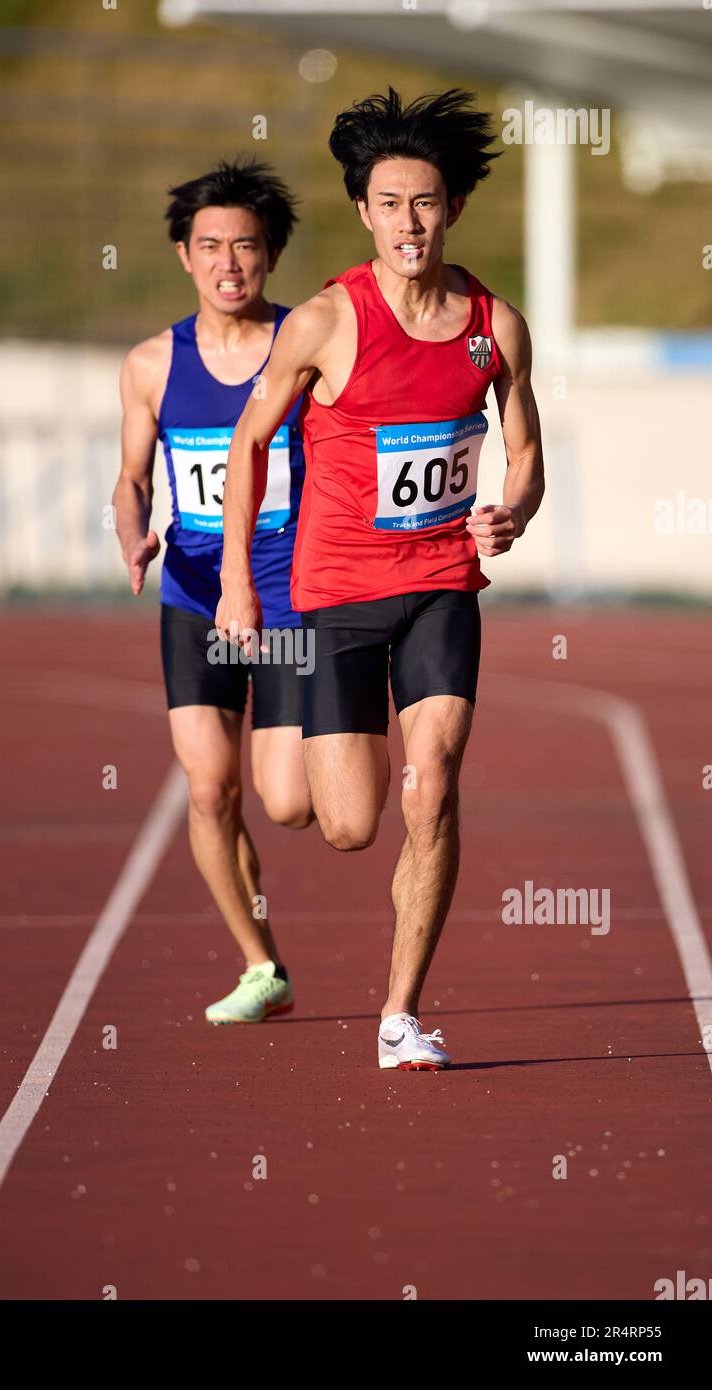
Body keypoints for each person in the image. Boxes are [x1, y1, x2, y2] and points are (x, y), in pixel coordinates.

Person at [216, 90, 545, 1069]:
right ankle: (295, 747)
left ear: (451, 208)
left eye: (427, 202)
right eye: (390, 203)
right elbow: (246, 443)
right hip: (336, 593)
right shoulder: (323, 321)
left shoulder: (493, 324)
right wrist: (238, 582)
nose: (409, 223)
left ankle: (399, 1014)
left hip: (442, 581)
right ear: (363, 210)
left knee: (432, 787)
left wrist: (512, 510)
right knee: (348, 825)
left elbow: (524, 453)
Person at [113, 158, 313, 1026]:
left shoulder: (305, 345)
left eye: (246, 247)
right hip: (194, 595)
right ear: (184, 257)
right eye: (211, 248)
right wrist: (134, 531)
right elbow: (129, 479)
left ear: (270, 255)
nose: (229, 264)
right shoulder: (153, 364)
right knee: (207, 791)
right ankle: (260, 962)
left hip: (288, 592)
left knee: (289, 802)